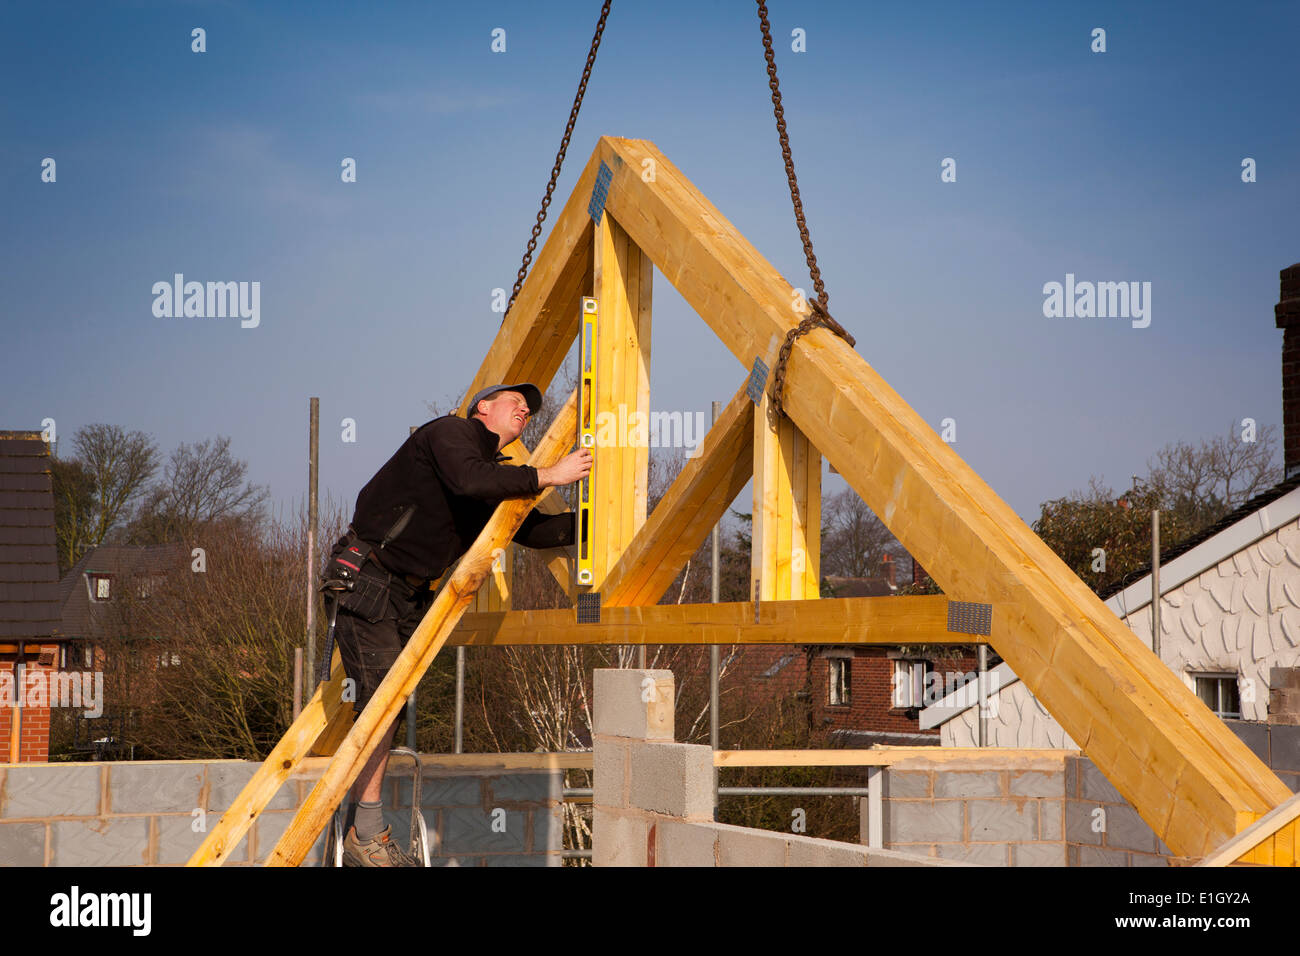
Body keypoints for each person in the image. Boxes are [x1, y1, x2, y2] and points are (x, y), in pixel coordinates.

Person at [323, 383, 591, 866]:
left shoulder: (493, 475)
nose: (526, 409)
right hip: (370, 580)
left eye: (529, 409)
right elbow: (470, 480)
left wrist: (598, 522)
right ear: (482, 407)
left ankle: (362, 830)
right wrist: (549, 474)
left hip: (407, 596)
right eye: (516, 401)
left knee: (389, 705)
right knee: (381, 699)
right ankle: (365, 835)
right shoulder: (447, 434)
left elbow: (533, 531)